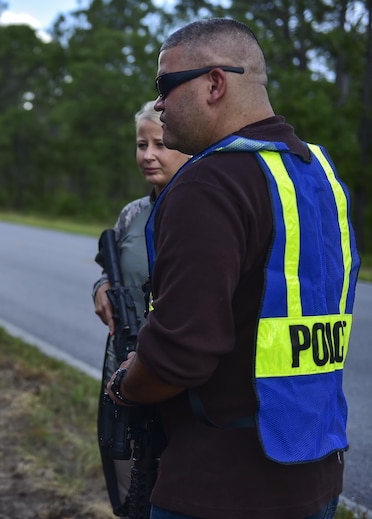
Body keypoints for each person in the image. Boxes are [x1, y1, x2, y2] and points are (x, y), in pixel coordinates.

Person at [106, 18, 360, 519]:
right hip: (316, 474)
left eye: (164, 86)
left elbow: (179, 356)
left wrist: (123, 386)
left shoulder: (209, 185)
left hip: (219, 488)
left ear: (214, 83)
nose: (158, 104)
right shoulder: (320, 175)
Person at [92, 100, 189, 516]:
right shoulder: (133, 213)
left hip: (172, 367)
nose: (148, 155)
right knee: (125, 474)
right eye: (141, 144)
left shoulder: (203, 210)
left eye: (161, 144)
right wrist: (101, 288)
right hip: (121, 361)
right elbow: (110, 273)